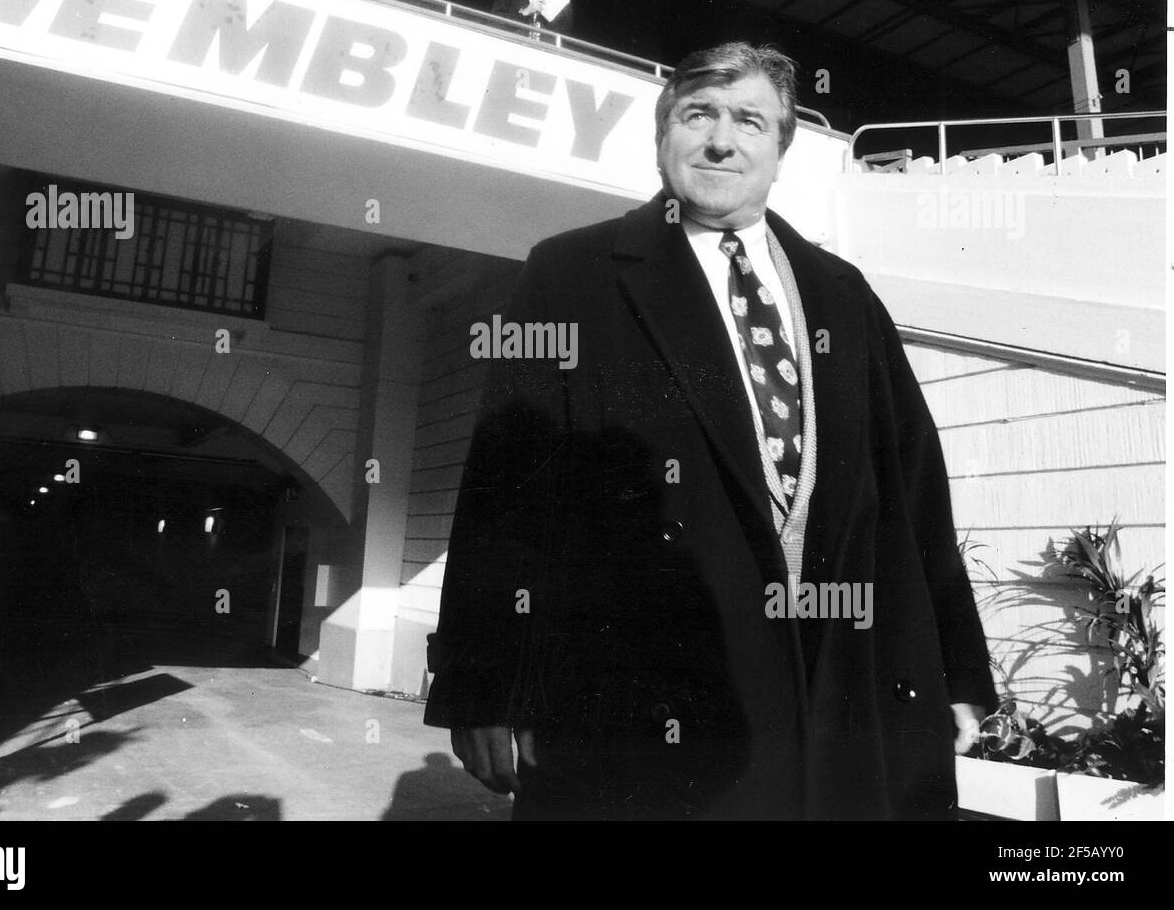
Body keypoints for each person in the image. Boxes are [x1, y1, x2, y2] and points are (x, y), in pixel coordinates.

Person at [423, 41, 998, 821]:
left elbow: (915, 489)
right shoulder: (571, 273)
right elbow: (505, 489)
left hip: (836, 699)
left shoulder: (844, 295)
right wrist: (484, 678)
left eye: (749, 121)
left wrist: (958, 668)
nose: (721, 140)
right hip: (637, 714)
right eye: (699, 115)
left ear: (780, 148)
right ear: (664, 135)